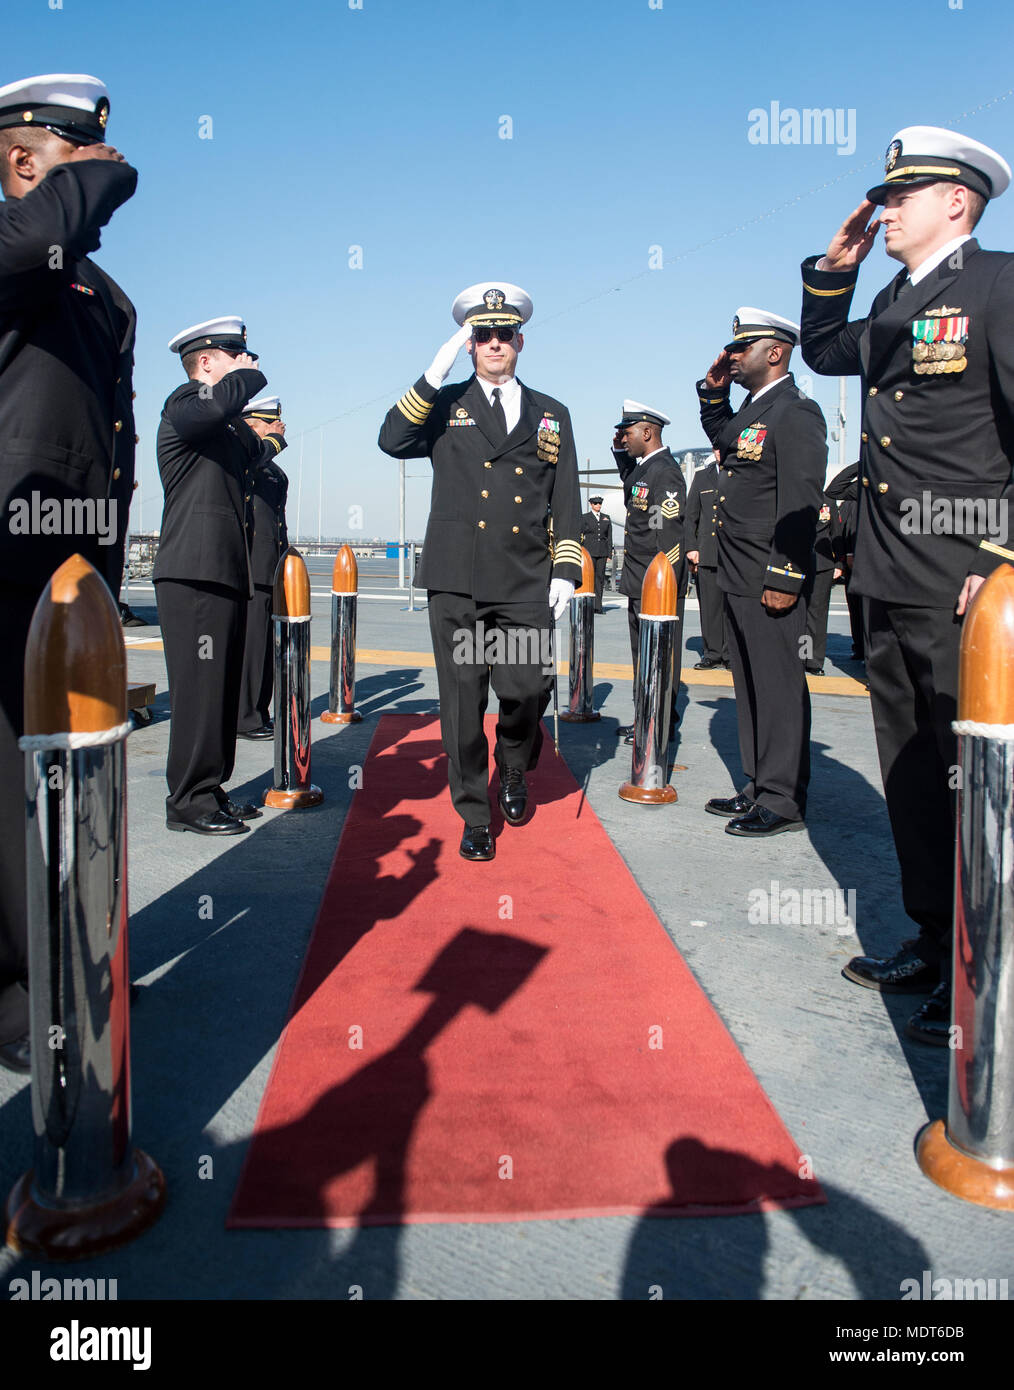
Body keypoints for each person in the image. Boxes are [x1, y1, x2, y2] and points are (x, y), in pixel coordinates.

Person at [799, 126, 1013, 1043]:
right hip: (887, 576)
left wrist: (1004, 565)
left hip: (968, 582)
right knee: (911, 771)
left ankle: (984, 964)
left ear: (956, 201)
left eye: (901, 197)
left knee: (976, 782)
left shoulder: (1000, 286)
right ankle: (934, 938)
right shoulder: (892, 297)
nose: (883, 211)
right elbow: (822, 353)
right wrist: (833, 270)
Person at [0, 74, 137, 1074]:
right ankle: (24, 997)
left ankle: (58, 972)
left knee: (60, 790)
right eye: (78, 154)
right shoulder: (16, 251)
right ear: (20, 160)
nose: (103, 169)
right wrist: (99, 180)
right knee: (9, 789)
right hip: (5, 548)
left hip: (72, 565)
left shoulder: (101, 295)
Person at [378, 282, 582, 862]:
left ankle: (514, 765)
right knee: (464, 703)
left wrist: (566, 568)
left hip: (522, 579)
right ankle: (474, 812)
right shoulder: (444, 406)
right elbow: (391, 440)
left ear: (520, 340)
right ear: (469, 345)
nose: (495, 343)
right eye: (481, 335)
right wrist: (432, 370)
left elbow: (565, 497)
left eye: (504, 334)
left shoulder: (552, 413)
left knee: (527, 689)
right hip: (460, 581)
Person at [697, 308, 827, 836]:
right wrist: (712, 394)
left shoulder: (796, 411)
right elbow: (725, 438)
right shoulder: (754, 411)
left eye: (740, 348)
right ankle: (757, 784)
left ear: (774, 352)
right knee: (749, 685)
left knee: (777, 685)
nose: (731, 355)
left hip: (768, 573)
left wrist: (785, 575)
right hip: (737, 572)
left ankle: (784, 798)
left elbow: (800, 500)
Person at [154, 317, 268, 835]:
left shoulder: (219, 424)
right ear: (205, 362)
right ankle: (188, 801)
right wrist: (246, 379)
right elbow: (221, 406)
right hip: (193, 572)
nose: (248, 361)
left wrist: (266, 433)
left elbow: (254, 449)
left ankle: (211, 788)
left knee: (218, 690)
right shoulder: (184, 403)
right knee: (199, 690)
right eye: (235, 354)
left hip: (222, 571)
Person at [610, 401, 686, 741]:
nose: (624, 438)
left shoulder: (665, 472)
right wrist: (619, 451)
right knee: (643, 656)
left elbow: (669, 534)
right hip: (640, 580)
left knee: (659, 658)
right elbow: (631, 487)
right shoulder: (646, 469)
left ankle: (660, 723)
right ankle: (647, 716)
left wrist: (663, 584)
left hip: (656, 585)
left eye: (627, 434)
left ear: (647, 432)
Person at [237, 394, 288, 739]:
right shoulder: (245, 458)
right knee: (252, 646)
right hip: (252, 566)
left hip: (272, 565)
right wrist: (272, 442)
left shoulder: (268, 464)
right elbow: (247, 466)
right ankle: (246, 717)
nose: (280, 427)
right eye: (271, 423)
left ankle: (260, 710)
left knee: (267, 647)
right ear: (252, 426)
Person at [686, 448, 729, 669]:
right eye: (716, 448)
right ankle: (712, 653)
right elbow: (690, 515)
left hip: (734, 554)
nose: (719, 452)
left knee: (731, 608)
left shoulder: (740, 474)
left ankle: (731, 654)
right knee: (710, 606)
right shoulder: (703, 476)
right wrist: (691, 548)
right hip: (708, 551)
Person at [804, 488, 842, 676]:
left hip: (822, 563)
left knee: (817, 615)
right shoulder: (793, 493)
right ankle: (798, 656)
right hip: (796, 563)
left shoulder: (828, 499)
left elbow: (836, 533)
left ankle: (813, 660)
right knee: (797, 613)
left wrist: (839, 562)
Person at [580, 495, 612, 612]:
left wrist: (609, 554)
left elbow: (609, 537)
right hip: (589, 552)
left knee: (600, 579)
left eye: (599, 503)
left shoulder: (606, 518)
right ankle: (589, 605)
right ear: (591, 504)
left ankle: (598, 606)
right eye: (595, 503)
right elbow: (580, 535)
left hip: (602, 552)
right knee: (589, 578)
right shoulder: (585, 518)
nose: (598, 505)